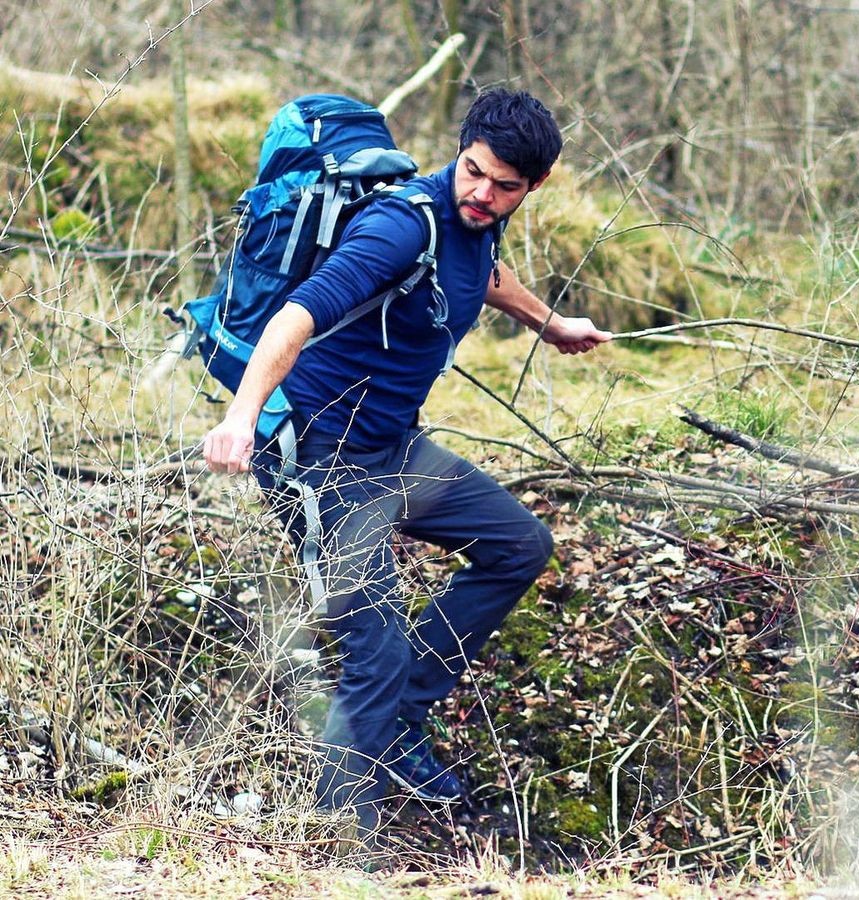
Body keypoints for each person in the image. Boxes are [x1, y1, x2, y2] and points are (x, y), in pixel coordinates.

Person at [200, 88, 610, 835]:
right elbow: (298, 315)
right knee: (374, 647)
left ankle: (392, 728)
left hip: (392, 446)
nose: (483, 194)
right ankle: (338, 848)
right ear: (461, 152)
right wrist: (240, 415)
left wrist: (551, 325)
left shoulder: (478, 224)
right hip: (321, 455)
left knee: (519, 545)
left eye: (504, 186)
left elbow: (482, 273)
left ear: (534, 186)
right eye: (474, 173)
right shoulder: (399, 226)